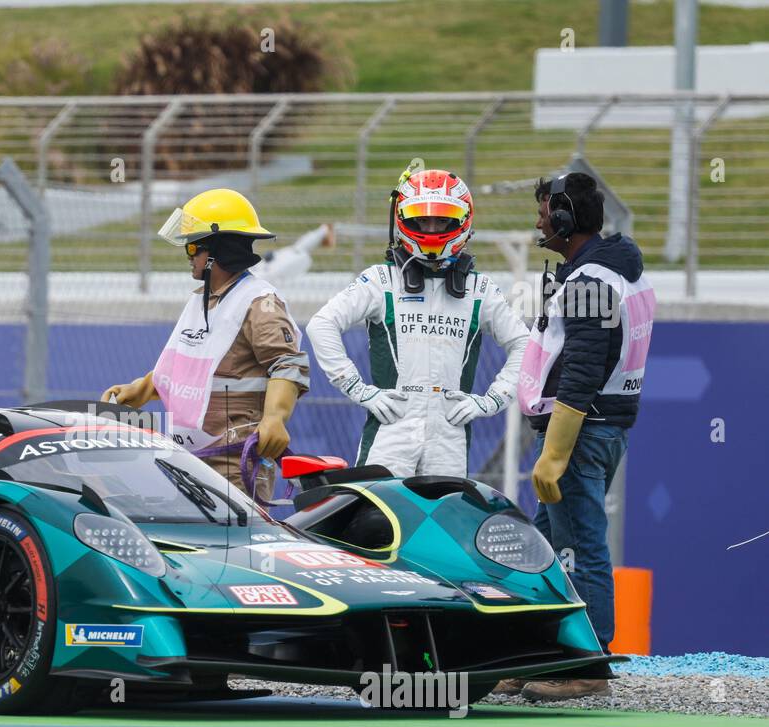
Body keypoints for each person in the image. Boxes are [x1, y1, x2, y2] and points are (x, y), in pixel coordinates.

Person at [503, 172, 655, 703]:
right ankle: (542, 651)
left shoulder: (590, 282)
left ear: (566, 219)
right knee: (544, 546)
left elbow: (585, 368)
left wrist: (555, 452)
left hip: (581, 431)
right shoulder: (616, 271)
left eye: (545, 211)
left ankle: (587, 663)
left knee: (578, 547)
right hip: (599, 428)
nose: (539, 220)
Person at [307, 167, 528, 477]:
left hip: (449, 433)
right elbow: (321, 325)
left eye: (442, 219)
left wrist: (492, 400)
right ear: (404, 219)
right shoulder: (381, 280)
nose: (432, 228)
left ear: (462, 220)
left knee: (442, 523)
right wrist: (358, 390)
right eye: (422, 219)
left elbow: (525, 344)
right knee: (376, 521)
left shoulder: (480, 289)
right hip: (391, 429)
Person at [101, 188, 309, 499]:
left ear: (218, 251)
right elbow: (182, 371)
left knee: (236, 547)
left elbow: (288, 364)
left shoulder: (258, 302)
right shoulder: (202, 300)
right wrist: (140, 390)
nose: (188, 256)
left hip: (235, 470)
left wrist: (275, 419)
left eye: (193, 247)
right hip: (186, 464)